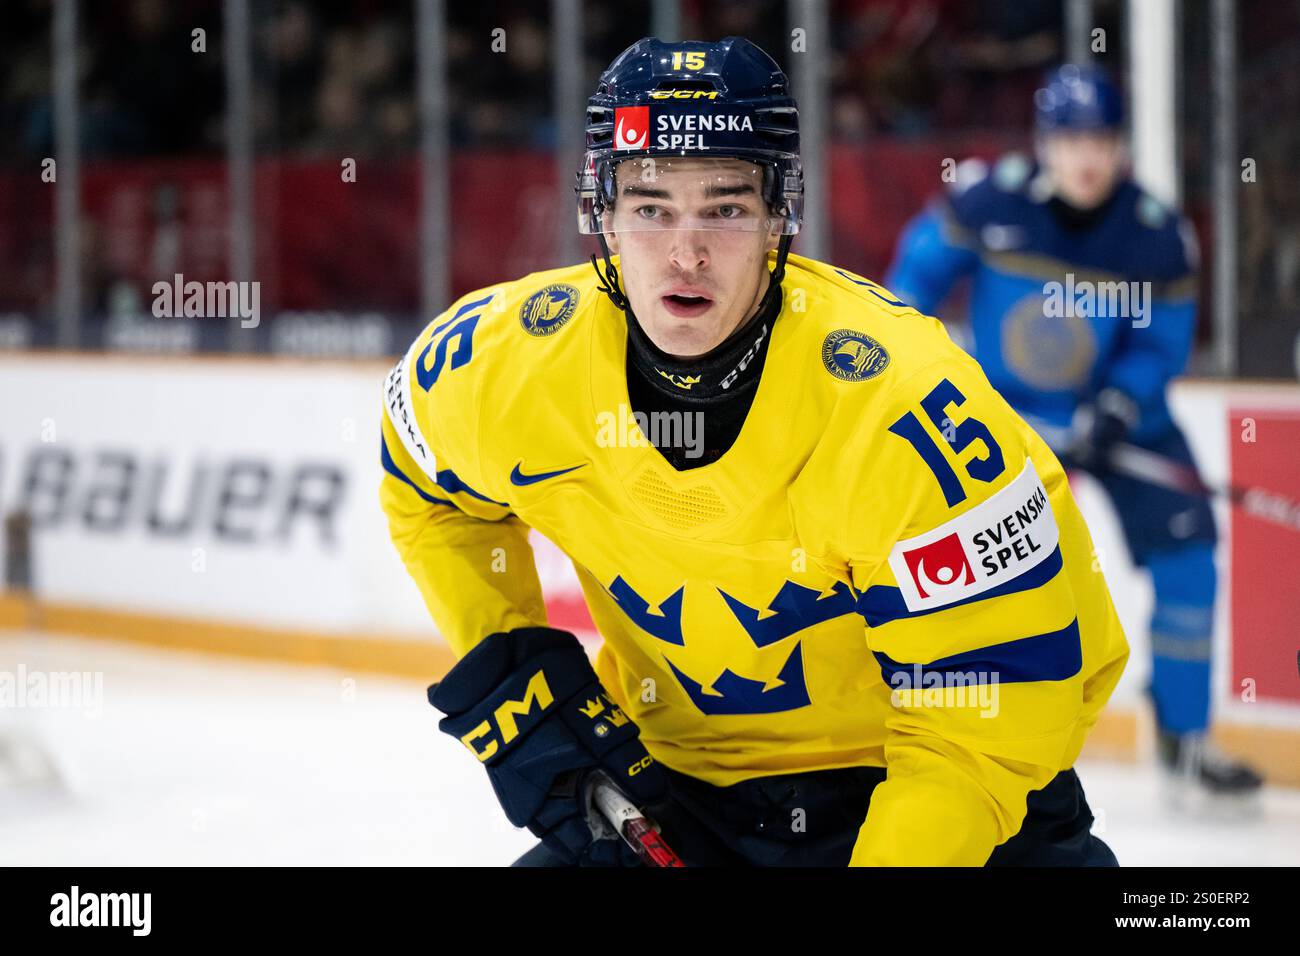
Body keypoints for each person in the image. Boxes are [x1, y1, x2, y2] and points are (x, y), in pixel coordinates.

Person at [380, 38, 1128, 867]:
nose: (685, 253)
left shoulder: (903, 407)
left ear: (780, 214)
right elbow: (424, 480)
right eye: (651, 206)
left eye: (726, 209)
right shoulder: (505, 361)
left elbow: (985, 717)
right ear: (602, 210)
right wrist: (515, 665)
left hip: (958, 800)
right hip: (680, 794)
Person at [886, 64, 1261, 798]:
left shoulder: (1154, 234)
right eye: (1071, 139)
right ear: (1045, 142)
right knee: (959, 573)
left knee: (1188, 559)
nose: (1086, 157)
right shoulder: (991, 199)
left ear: (1119, 146)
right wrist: (941, 376)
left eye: (1101, 139)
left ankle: (1187, 738)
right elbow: (910, 288)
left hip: (1122, 427)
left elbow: (1161, 343)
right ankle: (949, 729)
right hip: (1005, 421)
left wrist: (1119, 404)